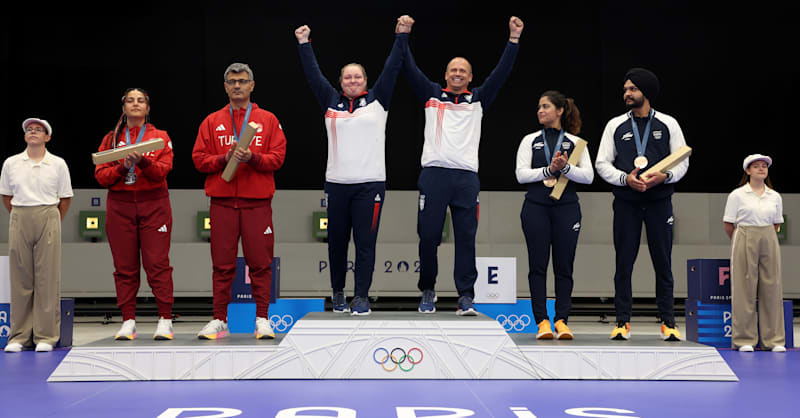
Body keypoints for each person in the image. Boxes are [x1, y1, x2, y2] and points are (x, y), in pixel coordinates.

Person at [403, 16, 524, 315]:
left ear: (470, 77)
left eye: (463, 71)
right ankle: (428, 289)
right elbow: (409, 67)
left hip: (467, 178)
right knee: (428, 236)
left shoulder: (479, 99)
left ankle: (465, 296)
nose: (458, 74)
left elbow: (502, 73)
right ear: (445, 74)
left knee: (466, 239)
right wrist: (402, 36)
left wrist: (513, 39)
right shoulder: (431, 94)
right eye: (453, 70)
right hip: (433, 176)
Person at [294, 17, 411, 315]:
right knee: (336, 243)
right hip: (336, 184)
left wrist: (401, 36)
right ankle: (337, 293)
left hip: (370, 185)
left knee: (365, 244)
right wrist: (304, 43)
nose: (353, 81)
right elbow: (312, 75)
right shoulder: (330, 102)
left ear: (366, 81)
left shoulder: (377, 101)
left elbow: (393, 67)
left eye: (358, 77)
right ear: (340, 82)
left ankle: (360, 296)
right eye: (347, 77)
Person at [192, 63, 286, 340]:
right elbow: (199, 160)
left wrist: (252, 158)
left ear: (252, 85)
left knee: (260, 263)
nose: (237, 86)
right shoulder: (212, 121)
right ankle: (220, 318)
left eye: (242, 81)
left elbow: (277, 158)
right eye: (232, 81)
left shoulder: (267, 120)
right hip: (222, 202)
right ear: (225, 87)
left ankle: (262, 319)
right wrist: (225, 158)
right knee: (222, 264)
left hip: (257, 203)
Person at [596, 68, 688, 341]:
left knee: (664, 262)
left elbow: (682, 159)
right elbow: (602, 163)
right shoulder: (615, 125)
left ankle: (669, 322)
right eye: (625, 89)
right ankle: (622, 321)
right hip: (627, 202)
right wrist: (625, 179)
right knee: (623, 263)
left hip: (660, 202)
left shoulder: (668, 123)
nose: (626, 93)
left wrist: (666, 176)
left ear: (645, 92)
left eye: (632, 89)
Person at [94, 88, 175, 340]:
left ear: (148, 108)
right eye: (131, 100)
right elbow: (101, 176)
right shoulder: (111, 139)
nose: (136, 104)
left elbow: (163, 171)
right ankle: (128, 320)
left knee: (157, 264)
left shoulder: (159, 137)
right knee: (125, 267)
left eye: (141, 100)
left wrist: (143, 162)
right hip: (120, 206)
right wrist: (122, 167)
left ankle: (165, 319)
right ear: (124, 108)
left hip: (154, 206)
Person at [515, 91, 593, 340]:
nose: (540, 110)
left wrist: (566, 167)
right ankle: (542, 322)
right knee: (537, 266)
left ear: (560, 111)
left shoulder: (576, 143)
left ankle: (562, 320)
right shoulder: (530, 140)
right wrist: (549, 169)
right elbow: (521, 174)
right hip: (536, 207)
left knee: (564, 266)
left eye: (546, 106)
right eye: (539, 106)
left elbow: (589, 177)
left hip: (567, 208)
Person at [1, 118, 73, 353]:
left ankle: (46, 335)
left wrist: (52, 220)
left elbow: (65, 198)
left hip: (48, 214)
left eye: (38, 130)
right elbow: (6, 196)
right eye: (29, 130)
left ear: (47, 137)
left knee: (47, 278)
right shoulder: (11, 163)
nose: (33, 132)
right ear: (24, 137)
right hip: (20, 214)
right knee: (20, 277)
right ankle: (19, 336)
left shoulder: (58, 164)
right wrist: (21, 215)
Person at [723, 154, 785, 352]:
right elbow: (728, 223)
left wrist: (766, 236)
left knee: (772, 286)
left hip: (768, 234)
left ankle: (773, 340)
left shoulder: (774, 196)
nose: (761, 169)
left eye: (764, 166)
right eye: (756, 166)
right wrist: (741, 240)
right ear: (747, 171)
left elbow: (776, 223)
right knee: (744, 287)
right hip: (744, 233)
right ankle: (744, 339)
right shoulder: (737, 195)